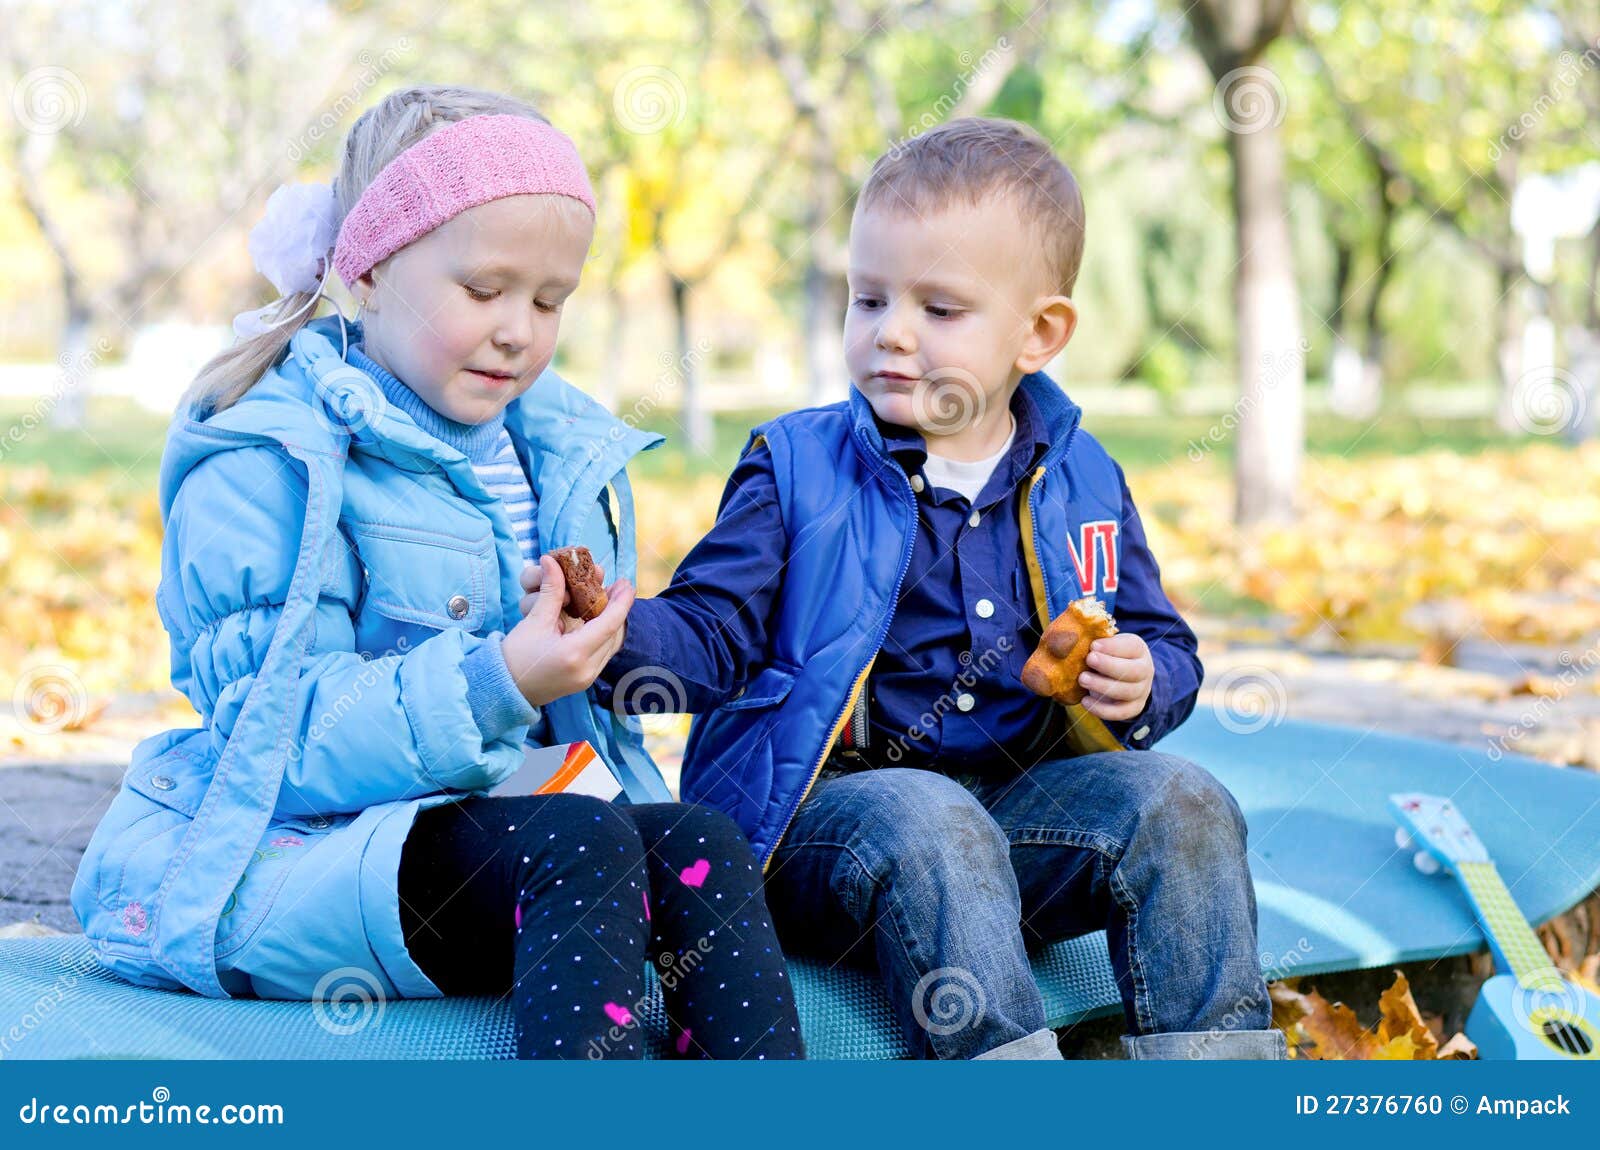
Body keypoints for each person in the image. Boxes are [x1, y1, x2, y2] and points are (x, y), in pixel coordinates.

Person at [71, 84, 802, 1061]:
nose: (519, 330)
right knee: (582, 846)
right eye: (485, 289)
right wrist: (501, 680)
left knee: (694, 841)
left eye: (549, 301)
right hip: (303, 856)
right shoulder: (276, 455)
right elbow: (272, 736)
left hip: (492, 840)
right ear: (369, 271)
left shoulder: (545, 452)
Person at [565, 117, 1283, 1060]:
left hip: (1015, 826)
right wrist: (616, 634)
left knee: (1183, 800)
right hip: (825, 828)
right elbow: (713, 630)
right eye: (869, 300)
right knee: (928, 813)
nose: (890, 335)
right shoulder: (799, 466)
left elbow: (1160, 637)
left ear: (1040, 333)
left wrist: (1147, 681)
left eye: (940, 311)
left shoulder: (1081, 477)